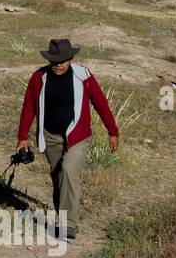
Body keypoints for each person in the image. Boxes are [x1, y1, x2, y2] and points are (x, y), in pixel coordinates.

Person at [15, 39, 119, 240]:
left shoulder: (84, 76)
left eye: (63, 60)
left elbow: (101, 103)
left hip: (78, 135)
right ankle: (64, 217)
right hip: (50, 136)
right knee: (58, 178)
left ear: (70, 58)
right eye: (54, 60)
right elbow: (29, 108)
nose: (59, 64)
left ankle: (68, 225)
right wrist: (22, 138)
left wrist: (112, 131)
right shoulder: (39, 77)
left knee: (69, 170)